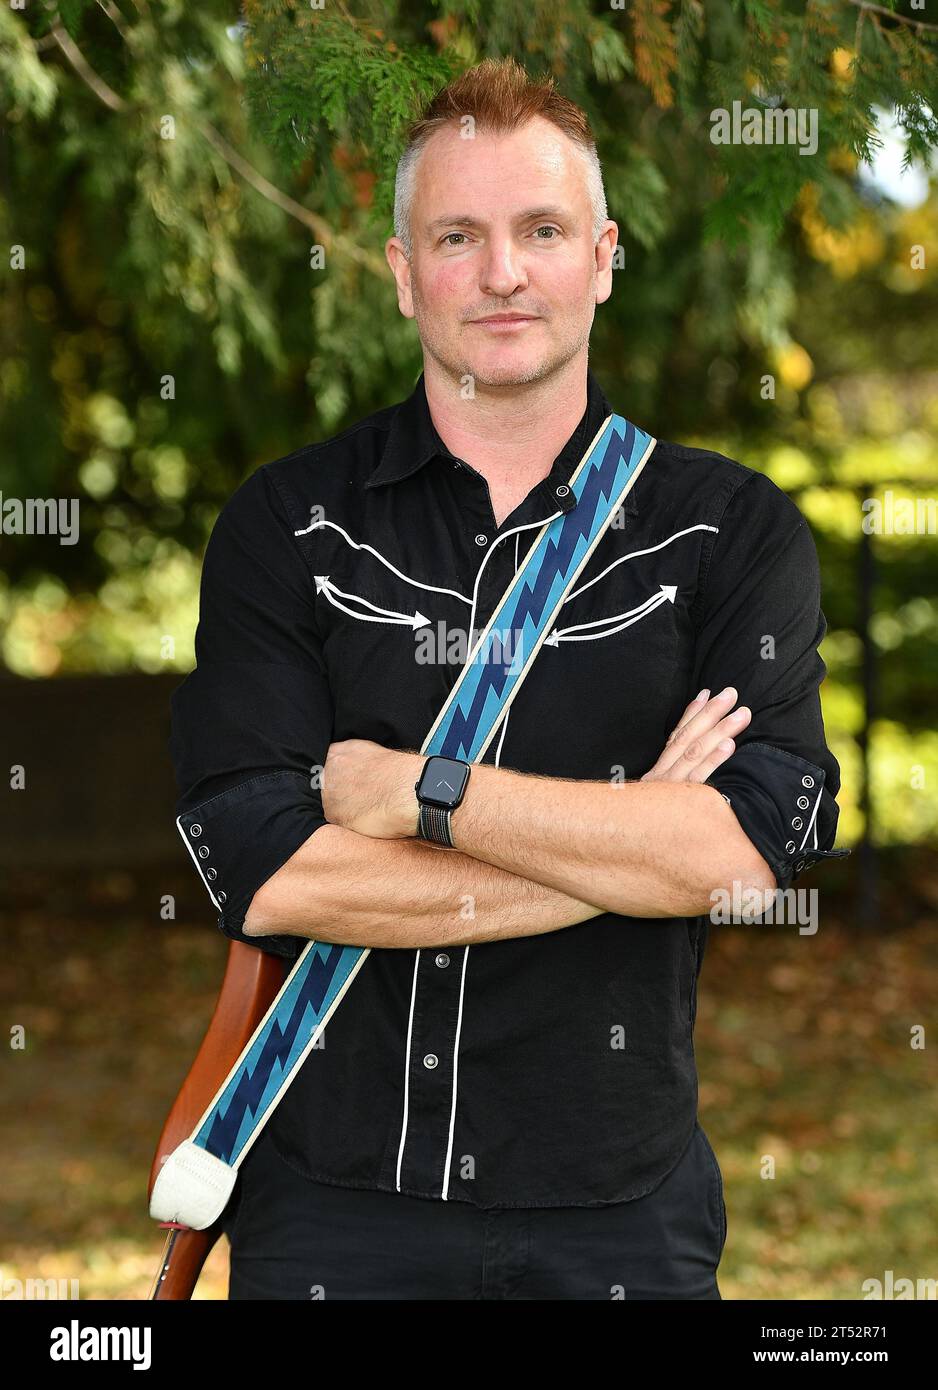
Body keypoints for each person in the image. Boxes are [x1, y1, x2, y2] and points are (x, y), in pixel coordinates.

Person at [169, 56, 848, 1301]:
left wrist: (416, 792)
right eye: (456, 235)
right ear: (397, 271)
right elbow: (266, 874)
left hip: (617, 1218)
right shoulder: (289, 527)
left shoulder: (727, 534)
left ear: (600, 256)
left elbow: (747, 858)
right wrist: (630, 845)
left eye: (539, 231)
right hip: (330, 1209)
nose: (500, 273)